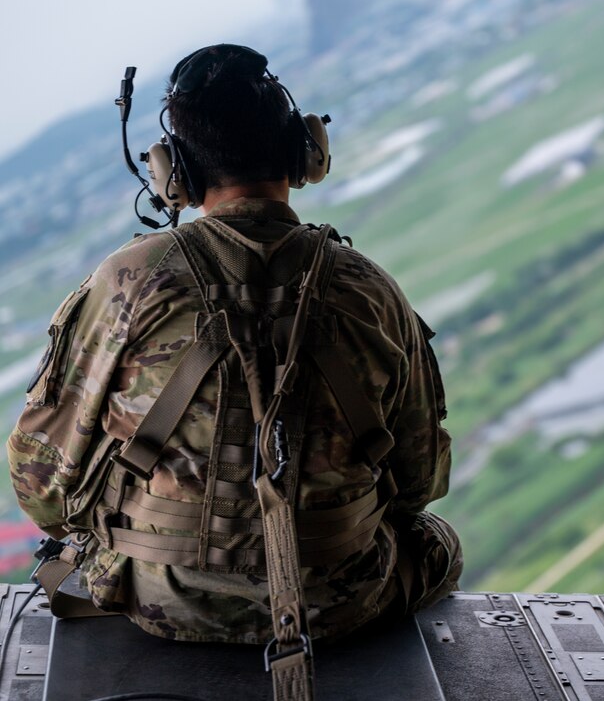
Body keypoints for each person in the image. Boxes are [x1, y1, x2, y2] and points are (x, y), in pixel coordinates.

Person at [8, 45, 461, 660]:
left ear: (176, 176)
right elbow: (421, 480)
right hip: (343, 599)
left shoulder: (131, 279)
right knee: (436, 541)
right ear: (306, 155)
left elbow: (41, 485)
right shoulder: (367, 285)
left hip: (158, 597)